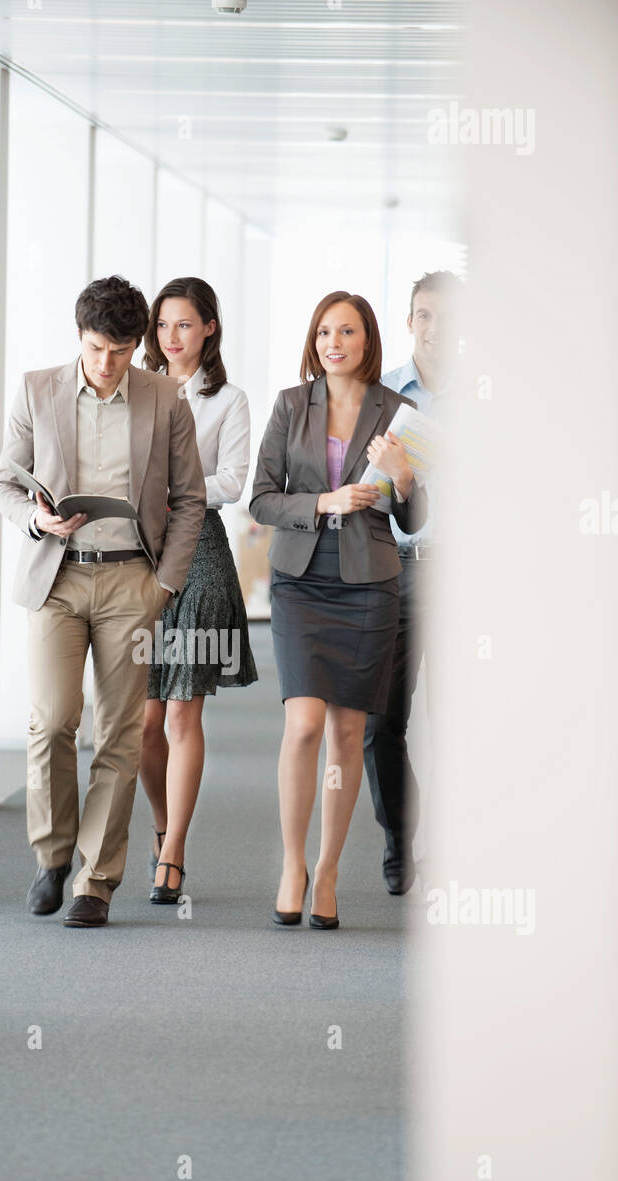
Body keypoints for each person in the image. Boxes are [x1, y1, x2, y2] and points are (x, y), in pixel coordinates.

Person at [0, 275, 206, 928]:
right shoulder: (37, 390)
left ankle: (96, 880)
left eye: (118, 351)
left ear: (136, 345)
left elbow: (191, 499)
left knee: (118, 733)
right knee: (53, 720)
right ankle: (53, 854)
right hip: (56, 577)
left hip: (129, 583)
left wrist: (163, 582)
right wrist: (37, 520)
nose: (106, 364)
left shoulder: (165, 398)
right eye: (93, 349)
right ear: (78, 338)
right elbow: (3, 482)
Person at [249, 291, 428, 930]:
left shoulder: (398, 411)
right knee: (303, 725)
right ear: (314, 340)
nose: (334, 342)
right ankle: (292, 863)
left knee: (347, 733)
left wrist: (402, 477)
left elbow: (413, 516)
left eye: (347, 331)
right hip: (300, 581)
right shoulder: (291, 405)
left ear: (366, 340)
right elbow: (262, 501)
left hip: (368, 583)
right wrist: (324, 502)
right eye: (324, 331)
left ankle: (327, 872)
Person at [138, 277, 258, 905]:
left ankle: (176, 849)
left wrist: (174, 492)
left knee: (182, 708)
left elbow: (235, 481)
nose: (172, 337)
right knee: (143, 721)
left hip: (200, 551)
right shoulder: (136, 389)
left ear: (209, 328)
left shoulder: (228, 399)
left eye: (184, 324)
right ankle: (161, 826)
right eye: (163, 326)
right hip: (137, 555)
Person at [364, 270, 462, 894]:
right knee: (382, 722)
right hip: (394, 571)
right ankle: (401, 840)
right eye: (424, 315)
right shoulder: (381, 398)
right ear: (410, 321)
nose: (435, 328)